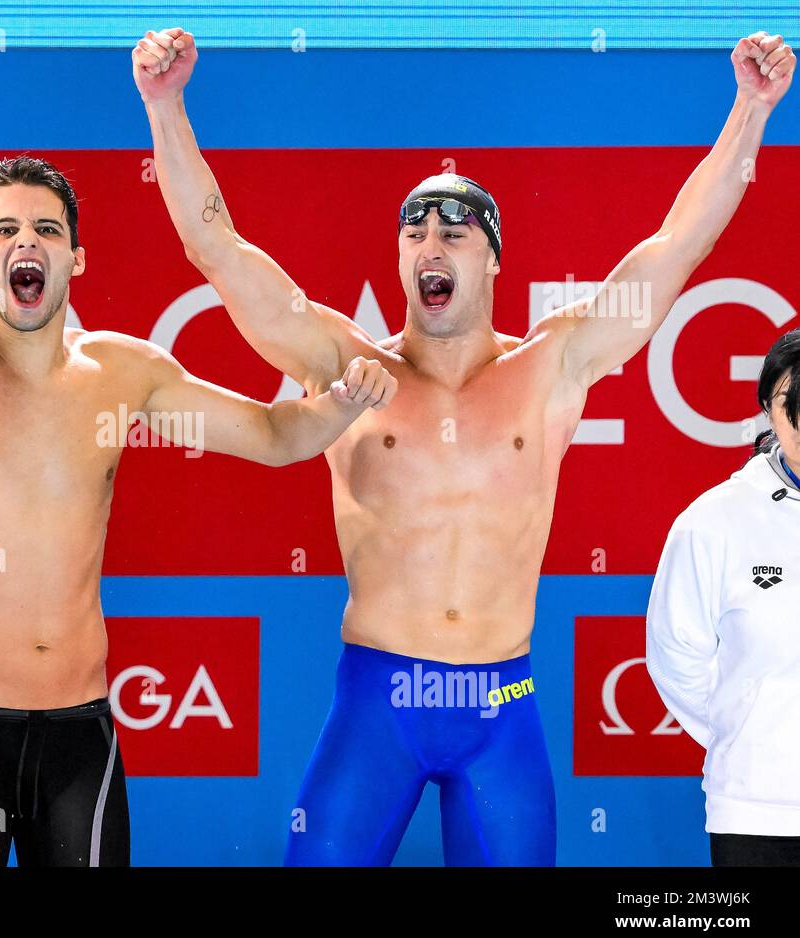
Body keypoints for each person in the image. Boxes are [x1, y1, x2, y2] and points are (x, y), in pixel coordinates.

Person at [134, 26, 794, 865]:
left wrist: (749, 108)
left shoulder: (554, 364)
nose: (431, 244)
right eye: (415, 231)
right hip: (377, 701)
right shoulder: (341, 361)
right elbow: (216, 250)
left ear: (492, 262)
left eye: (455, 231)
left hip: (500, 705)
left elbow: (678, 245)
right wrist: (165, 107)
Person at [0, 55, 397, 866]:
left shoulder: (121, 374)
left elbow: (273, 435)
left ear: (76, 261)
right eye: (4, 230)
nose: (27, 243)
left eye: (48, 230)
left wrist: (344, 401)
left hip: (82, 731)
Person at [647, 329, 800, 867]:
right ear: (766, 409)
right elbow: (674, 654)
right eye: (790, 401)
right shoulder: (712, 522)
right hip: (756, 814)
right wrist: (745, 728)